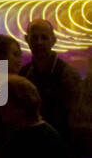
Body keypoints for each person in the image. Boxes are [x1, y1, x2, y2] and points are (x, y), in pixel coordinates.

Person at [20, 18, 82, 147]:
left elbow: (74, 121)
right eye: (35, 37)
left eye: (44, 37)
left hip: (60, 146)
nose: (39, 42)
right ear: (27, 40)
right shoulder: (23, 73)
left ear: (53, 40)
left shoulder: (68, 75)